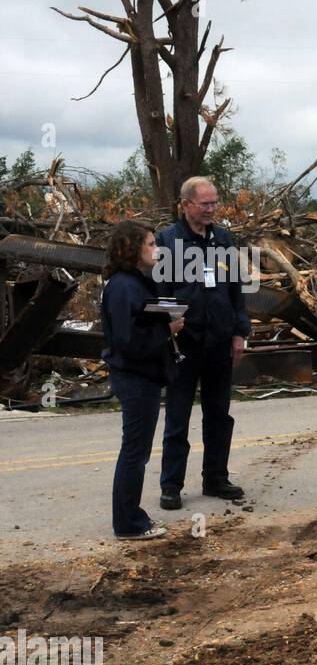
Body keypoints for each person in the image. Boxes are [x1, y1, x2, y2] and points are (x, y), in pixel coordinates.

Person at [154, 176, 252, 510]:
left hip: (220, 343)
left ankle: (215, 478)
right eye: (205, 203)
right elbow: (159, 291)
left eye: (214, 203)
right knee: (178, 417)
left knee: (219, 415)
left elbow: (237, 291)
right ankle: (171, 485)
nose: (211, 209)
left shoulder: (224, 240)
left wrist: (240, 333)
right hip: (184, 343)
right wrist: (169, 323)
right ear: (186, 205)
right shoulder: (167, 241)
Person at [100, 220, 184, 540]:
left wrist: (164, 316)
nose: (157, 249)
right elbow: (127, 341)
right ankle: (128, 524)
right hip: (134, 380)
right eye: (150, 244)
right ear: (132, 248)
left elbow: (138, 323)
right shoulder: (123, 286)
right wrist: (167, 330)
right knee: (135, 453)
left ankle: (131, 517)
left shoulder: (135, 282)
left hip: (144, 377)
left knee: (137, 452)